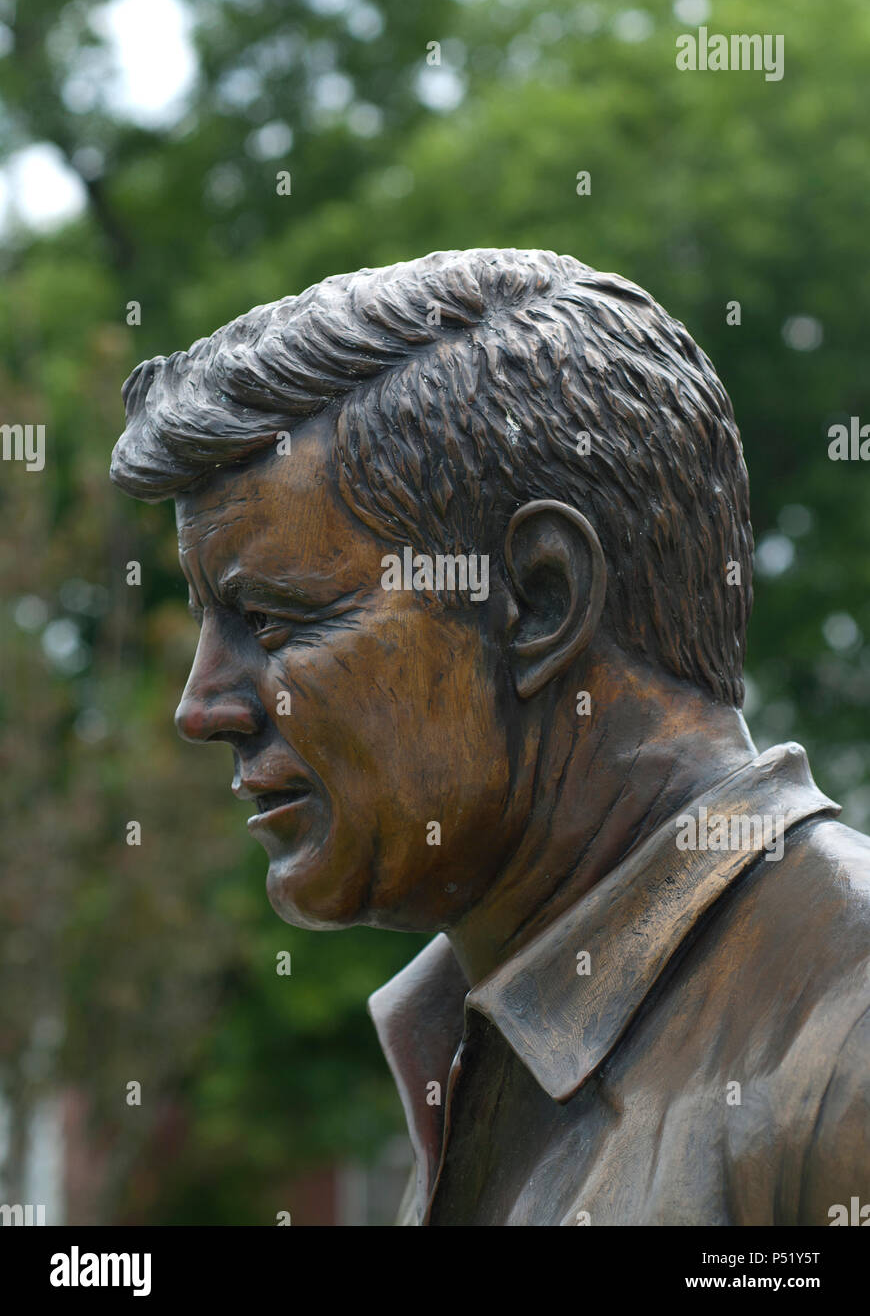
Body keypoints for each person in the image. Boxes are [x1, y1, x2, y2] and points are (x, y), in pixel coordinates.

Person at [111, 249, 870, 1226]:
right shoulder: (477, 1048)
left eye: (273, 621)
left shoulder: (842, 1052)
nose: (202, 705)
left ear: (536, 599)